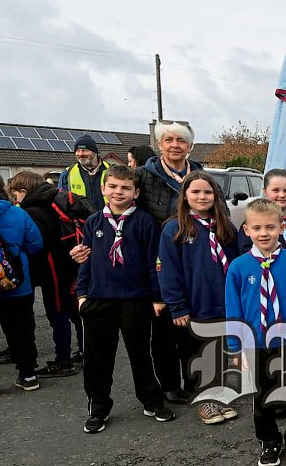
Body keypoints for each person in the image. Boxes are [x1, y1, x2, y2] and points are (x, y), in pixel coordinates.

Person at [76, 164, 175, 433]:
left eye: (126, 188)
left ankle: (151, 400)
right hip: (99, 299)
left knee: (140, 354)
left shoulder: (144, 221)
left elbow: (153, 261)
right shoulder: (94, 222)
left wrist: (157, 297)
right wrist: (82, 293)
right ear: (104, 188)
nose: (119, 192)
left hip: (136, 299)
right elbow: (86, 260)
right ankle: (98, 406)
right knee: (98, 357)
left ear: (136, 192)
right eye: (114, 186)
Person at [226, 199, 286, 466]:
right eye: (257, 228)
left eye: (270, 226)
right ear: (246, 230)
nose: (264, 233)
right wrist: (236, 346)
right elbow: (233, 309)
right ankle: (269, 440)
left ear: (281, 227)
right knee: (262, 395)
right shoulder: (239, 267)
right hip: (255, 343)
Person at [158, 171, 241, 425]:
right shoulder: (175, 228)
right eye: (196, 192)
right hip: (195, 304)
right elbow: (168, 271)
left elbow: (236, 263)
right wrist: (177, 306)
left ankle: (217, 394)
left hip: (222, 302)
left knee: (219, 350)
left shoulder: (224, 225)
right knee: (196, 353)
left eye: (208, 192)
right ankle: (203, 399)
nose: (202, 196)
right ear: (185, 196)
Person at [136, 120, 205, 405]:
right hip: (158, 258)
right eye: (169, 140)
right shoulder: (143, 175)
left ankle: (195, 380)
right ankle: (169, 384)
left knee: (193, 330)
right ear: (160, 144)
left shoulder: (199, 174)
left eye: (181, 141)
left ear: (189, 147)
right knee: (164, 330)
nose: (175, 145)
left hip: (195, 259)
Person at [7, 171, 89, 377]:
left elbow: (36, 244)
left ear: (24, 191)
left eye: (16, 194)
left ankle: (63, 360)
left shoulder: (33, 210)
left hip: (53, 268)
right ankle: (84, 350)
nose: (16, 199)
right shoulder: (58, 198)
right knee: (76, 311)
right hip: (74, 261)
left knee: (57, 313)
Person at [0, 168, 43, 398]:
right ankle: (27, 375)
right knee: (22, 331)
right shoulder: (17, 213)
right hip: (17, 286)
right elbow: (35, 244)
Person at [238, 169, 286, 281]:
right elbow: (246, 254)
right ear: (265, 191)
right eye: (275, 190)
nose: (282, 195)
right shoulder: (253, 223)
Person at [58, 134, 109, 211]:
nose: (80, 154)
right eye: (77, 151)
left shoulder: (112, 170)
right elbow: (61, 202)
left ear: (95, 152)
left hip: (108, 220)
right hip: (80, 221)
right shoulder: (67, 174)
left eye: (84, 150)